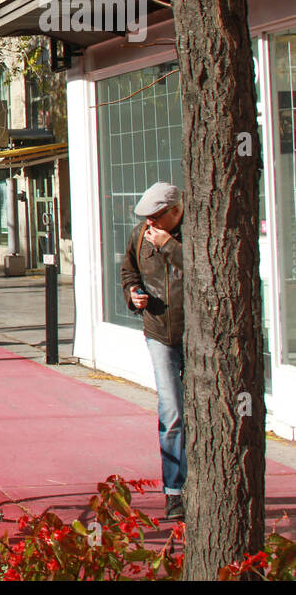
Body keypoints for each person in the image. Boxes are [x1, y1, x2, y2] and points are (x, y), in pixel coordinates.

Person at [119, 181, 186, 522]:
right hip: (159, 331)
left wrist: (170, 246)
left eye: (158, 218)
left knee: (200, 414)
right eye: (148, 219)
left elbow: (204, 271)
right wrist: (133, 293)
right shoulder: (140, 234)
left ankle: (196, 482)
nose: (151, 225)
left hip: (196, 333)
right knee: (172, 410)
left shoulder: (192, 232)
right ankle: (174, 491)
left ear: (177, 210)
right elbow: (128, 268)